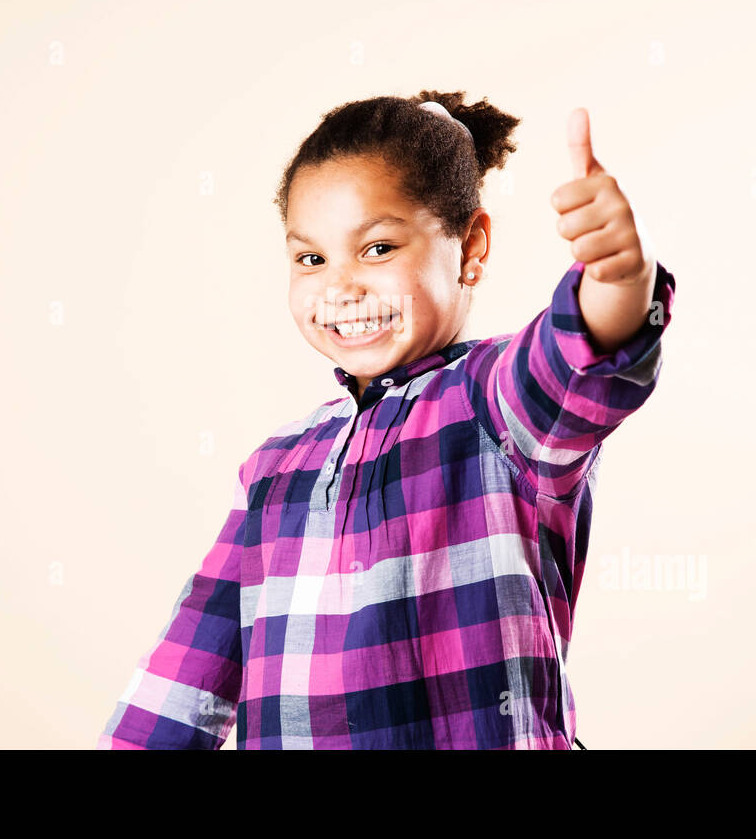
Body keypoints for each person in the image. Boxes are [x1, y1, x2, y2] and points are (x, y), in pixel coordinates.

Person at [98, 90, 677, 749]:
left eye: (376, 248)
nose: (340, 287)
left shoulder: (496, 404)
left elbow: (579, 355)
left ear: (471, 248)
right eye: (311, 259)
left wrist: (621, 273)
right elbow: (187, 672)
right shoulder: (273, 468)